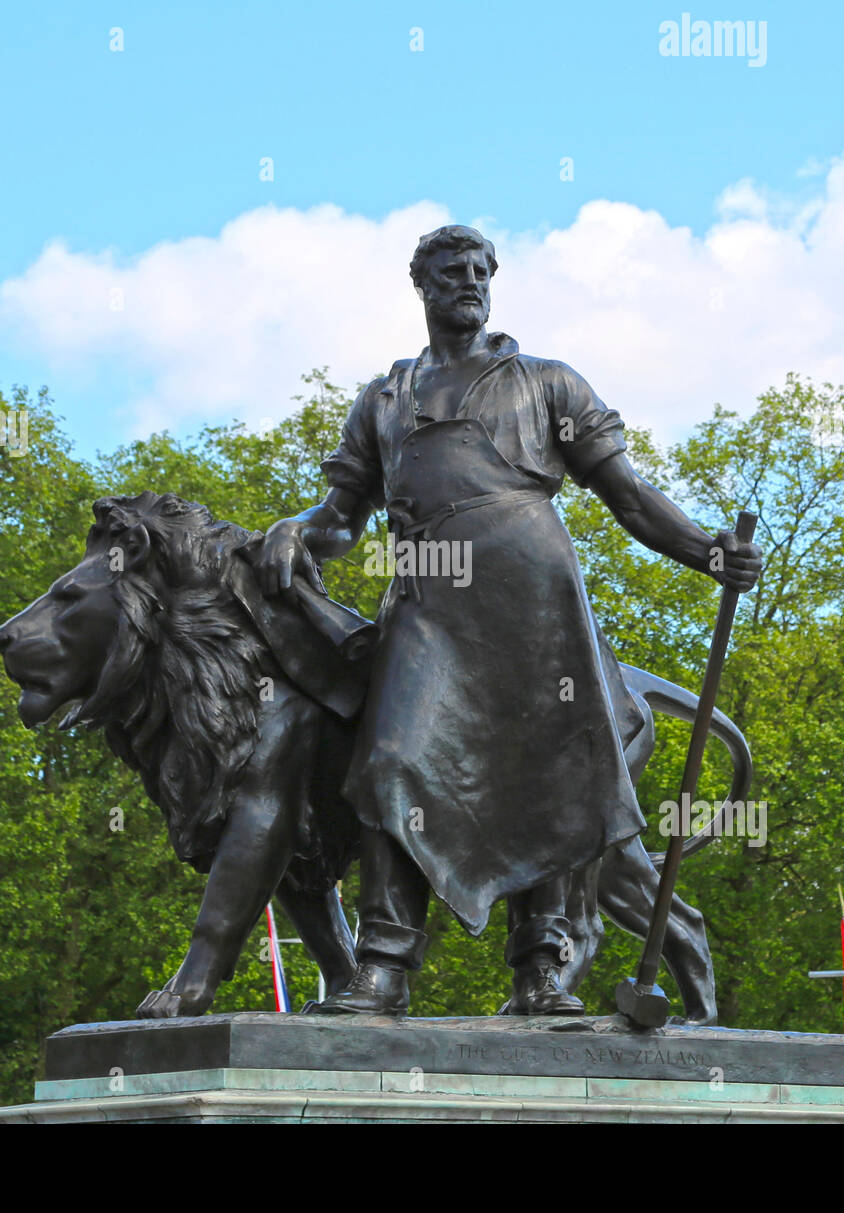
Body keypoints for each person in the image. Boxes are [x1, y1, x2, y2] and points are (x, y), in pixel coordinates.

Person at [256, 225, 761, 1014]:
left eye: (481, 270)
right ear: (421, 285)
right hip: (426, 603)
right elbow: (342, 518)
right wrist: (294, 528)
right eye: (451, 270)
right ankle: (383, 964)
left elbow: (628, 496)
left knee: (553, 773)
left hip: (535, 599)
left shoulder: (547, 383)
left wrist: (707, 552)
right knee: (389, 760)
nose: (469, 281)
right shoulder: (385, 398)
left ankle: (541, 968)